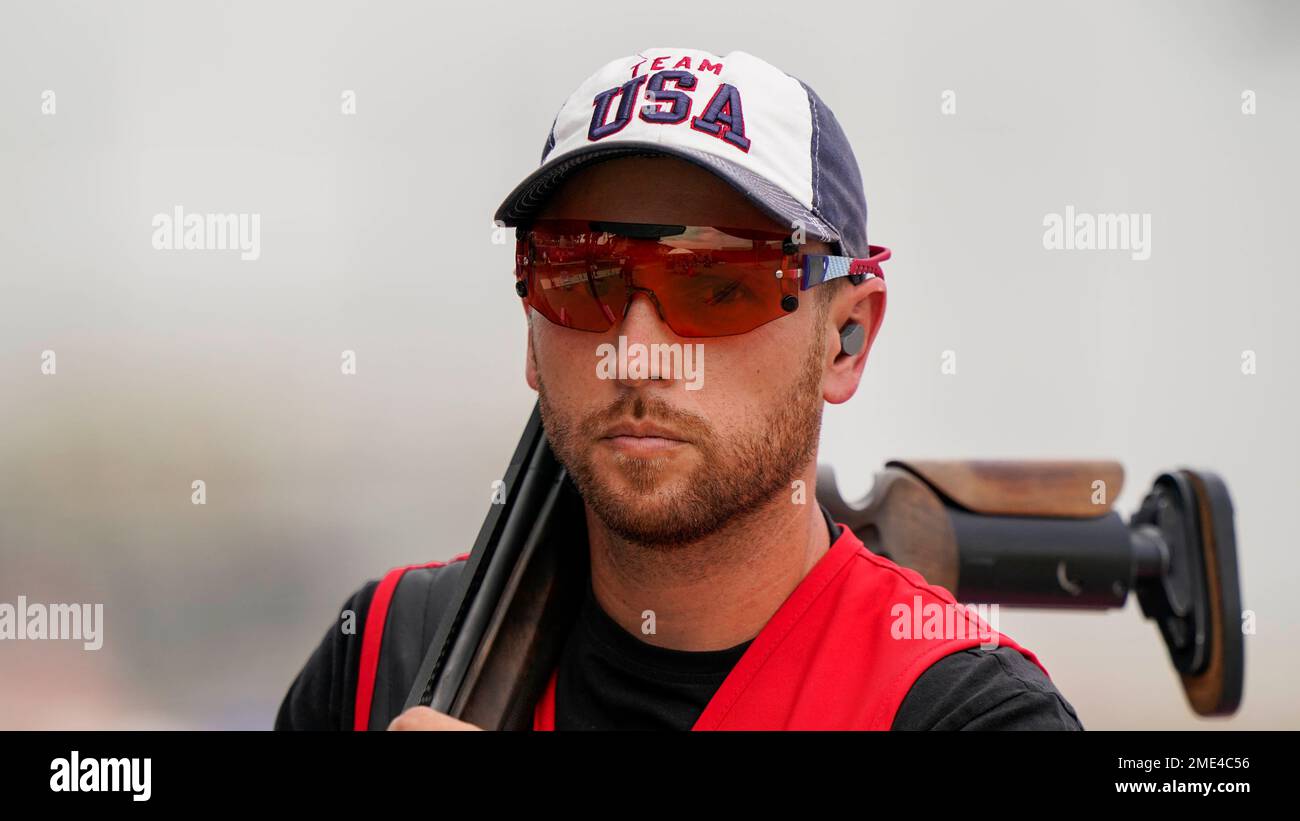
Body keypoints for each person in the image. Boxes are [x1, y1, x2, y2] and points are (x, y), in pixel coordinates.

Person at [277, 47, 1083, 731]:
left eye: (716, 284)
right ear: (531, 328)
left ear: (849, 339)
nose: (636, 353)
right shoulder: (386, 653)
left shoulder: (967, 713)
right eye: (581, 276)